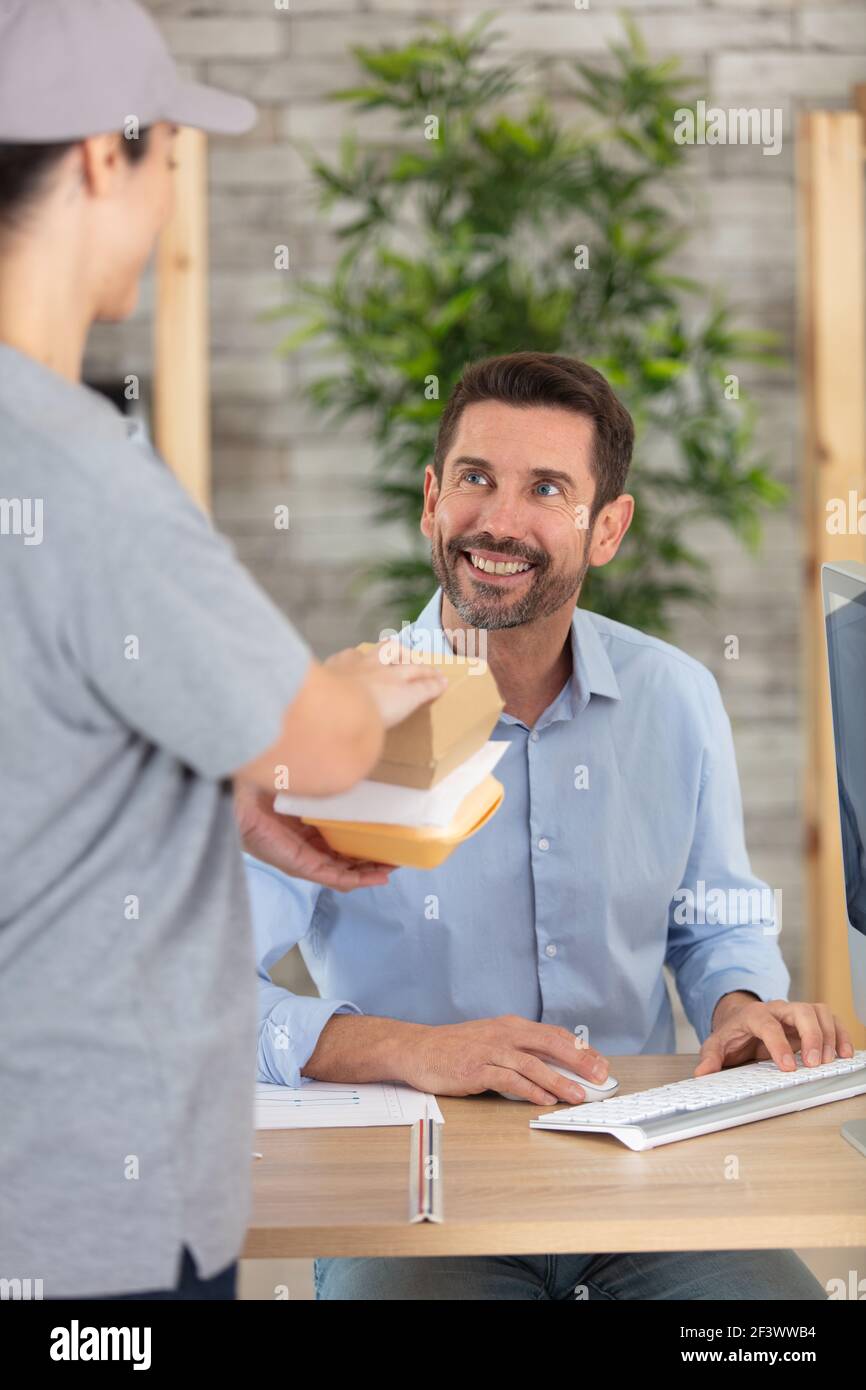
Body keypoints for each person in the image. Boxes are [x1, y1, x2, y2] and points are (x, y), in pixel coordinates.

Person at [0, 0, 443, 1301]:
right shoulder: (82, 471)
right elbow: (328, 738)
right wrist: (361, 686)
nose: (171, 199)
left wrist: (217, 804)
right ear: (100, 154)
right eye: (171, 161)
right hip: (83, 1195)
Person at [248, 352, 852, 1301]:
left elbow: (715, 923)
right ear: (430, 500)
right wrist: (409, 1049)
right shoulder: (333, 721)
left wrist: (740, 1007)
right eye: (476, 479)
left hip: (651, 1183)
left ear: (606, 527)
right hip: (422, 1200)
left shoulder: (677, 699)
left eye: (546, 489)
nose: (499, 521)